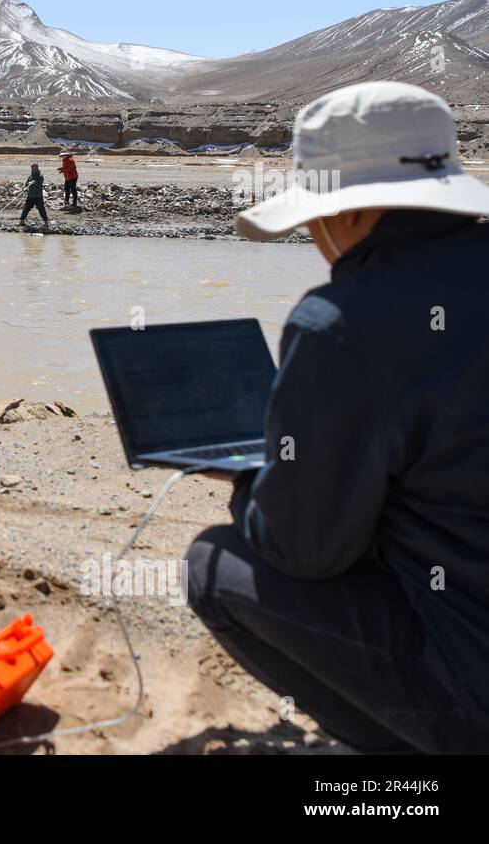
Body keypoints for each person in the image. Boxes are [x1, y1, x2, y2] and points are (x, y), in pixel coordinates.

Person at [185, 81, 489, 753]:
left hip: (474, 690)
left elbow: (302, 548)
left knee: (212, 563)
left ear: (350, 213)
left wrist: (252, 479)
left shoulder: (343, 323)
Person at [19, 162, 48, 228]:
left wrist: (34, 182)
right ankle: (22, 221)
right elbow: (26, 184)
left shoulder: (40, 176)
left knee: (41, 209)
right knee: (26, 208)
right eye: (32, 169)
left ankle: (46, 222)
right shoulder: (30, 176)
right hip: (30, 196)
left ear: (37, 168)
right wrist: (25, 188)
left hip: (38, 196)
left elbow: (40, 183)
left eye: (35, 168)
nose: (34, 170)